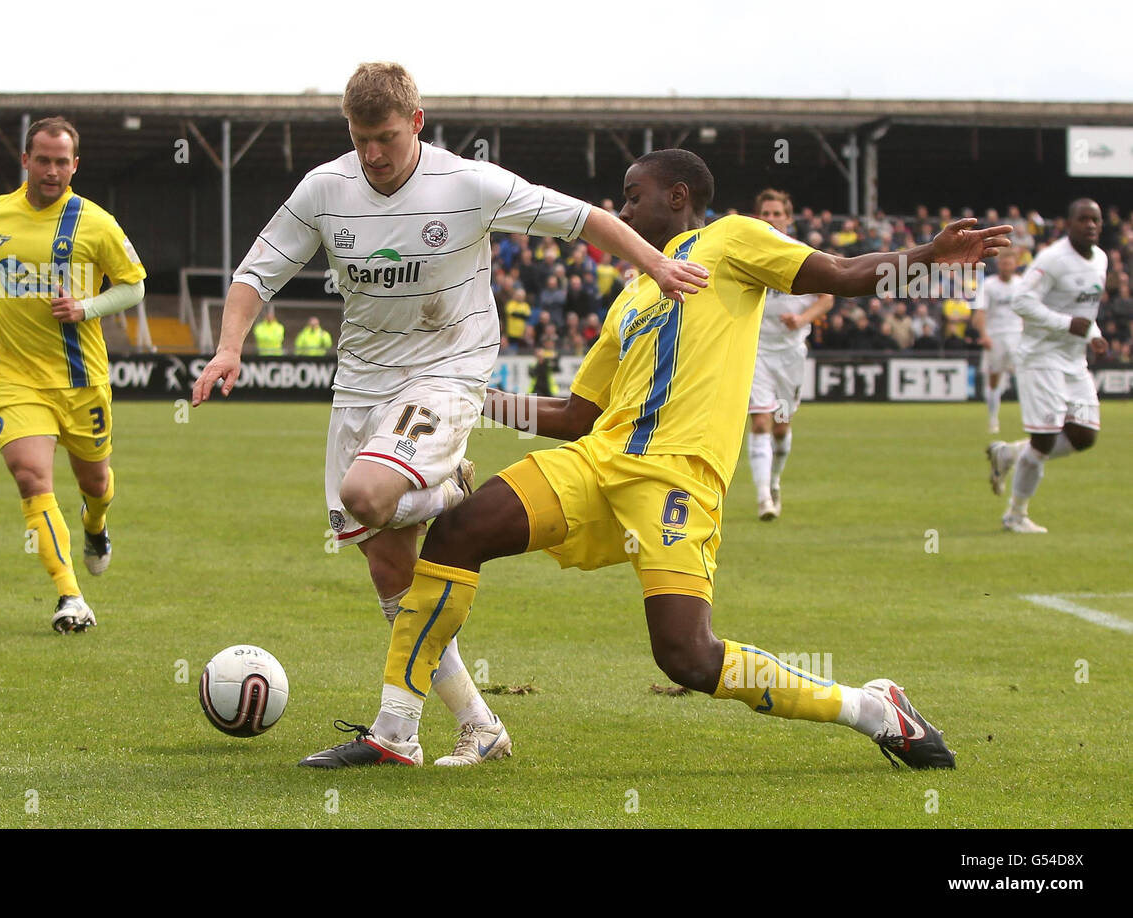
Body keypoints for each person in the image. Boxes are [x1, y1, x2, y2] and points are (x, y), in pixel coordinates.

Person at [299, 148, 1009, 770]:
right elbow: (578, 416)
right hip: (596, 465)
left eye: (633, 194)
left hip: (676, 479)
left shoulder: (732, 240)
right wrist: (479, 400)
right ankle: (398, 731)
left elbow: (845, 272)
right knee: (457, 535)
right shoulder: (631, 296)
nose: (621, 205)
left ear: (678, 196)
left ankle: (873, 708)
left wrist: (924, 261)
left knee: (687, 659)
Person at [192, 63, 704, 767]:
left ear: (417, 124)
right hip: (361, 388)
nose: (373, 153)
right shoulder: (325, 189)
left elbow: (583, 218)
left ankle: (449, 485)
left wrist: (654, 264)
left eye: (387, 138)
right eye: (361, 137)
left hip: (447, 372)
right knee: (390, 568)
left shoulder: (468, 184)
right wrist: (228, 347)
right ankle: (462, 727)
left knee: (366, 495)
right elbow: (257, 271)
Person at [0, 116, 147, 633]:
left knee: (97, 483)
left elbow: (134, 287)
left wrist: (86, 307)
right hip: (17, 378)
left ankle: (96, 524)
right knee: (30, 477)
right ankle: (70, 597)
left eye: (62, 161)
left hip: (81, 379)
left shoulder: (96, 223)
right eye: (43, 159)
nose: (52, 170)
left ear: (75, 165)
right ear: (25, 159)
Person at [987, 199, 1108, 533]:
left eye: (1095, 220)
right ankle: (1015, 515)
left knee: (1084, 436)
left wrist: (1093, 334)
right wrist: (1066, 324)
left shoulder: (1101, 259)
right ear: (1068, 224)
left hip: (1073, 358)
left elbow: (1087, 310)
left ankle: (1010, 454)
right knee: (1044, 439)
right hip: (1040, 356)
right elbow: (1021, 301)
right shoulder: (1053, 259)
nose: (1090, 225)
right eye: (1083, 219)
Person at [745, 190, 833, 521]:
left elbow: (826, 298)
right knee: (761, 421)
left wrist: (801, 319)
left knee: (781, 428)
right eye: (764, 213)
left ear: (787, 218)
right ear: (757, 218)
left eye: (776, 213)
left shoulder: (803, 255)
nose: (770, 218)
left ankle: (775, 481)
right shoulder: (747, 255)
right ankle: (763, 498)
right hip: (757, 353)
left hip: (791, 354)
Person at [972, 248, 1024, 434]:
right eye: (1003, 263)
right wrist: (984, 335)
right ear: (998, 265)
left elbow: (1027, 311)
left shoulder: (1021, 284)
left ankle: (1031, 418)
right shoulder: (989, 285)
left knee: (1026, 377)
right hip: (995, 337)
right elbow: (980, 312)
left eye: (1009, 263)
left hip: (1018, 336)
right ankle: (993, 419)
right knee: (994, 380)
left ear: (1015, 265)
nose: (1006, 267)